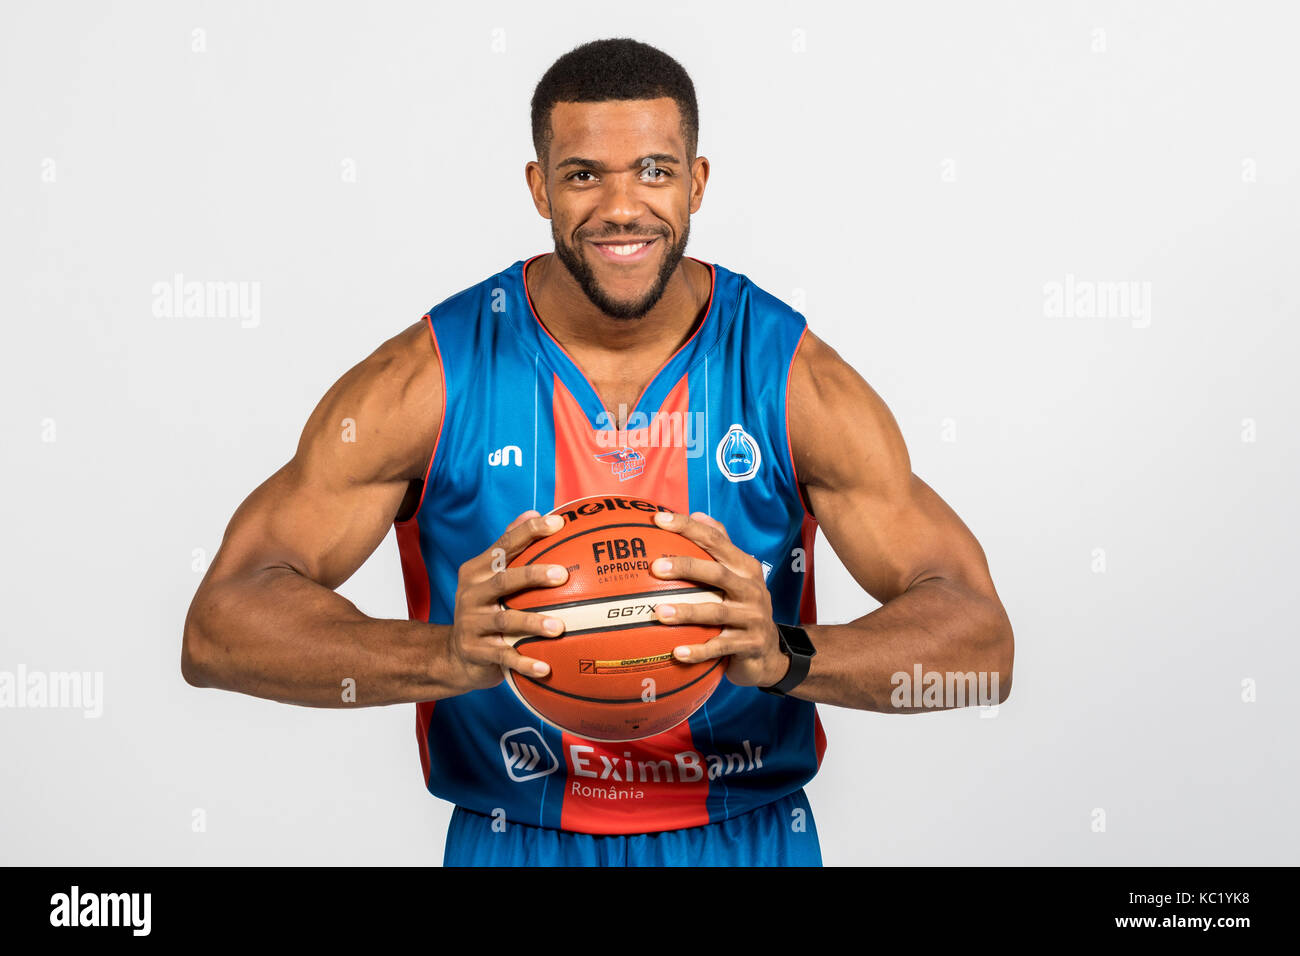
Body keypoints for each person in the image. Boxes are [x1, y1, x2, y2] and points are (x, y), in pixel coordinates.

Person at [182, 37, 1014, 867]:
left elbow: (981, 643)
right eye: (585, 175)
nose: (623, 207)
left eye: (654, 170)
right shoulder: (430, 379)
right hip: (516, 841)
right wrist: (439, 654)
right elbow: (221, 628)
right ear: (540, 187)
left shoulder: (789, 378)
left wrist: (786, 654)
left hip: (747, 842)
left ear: (696, 182)